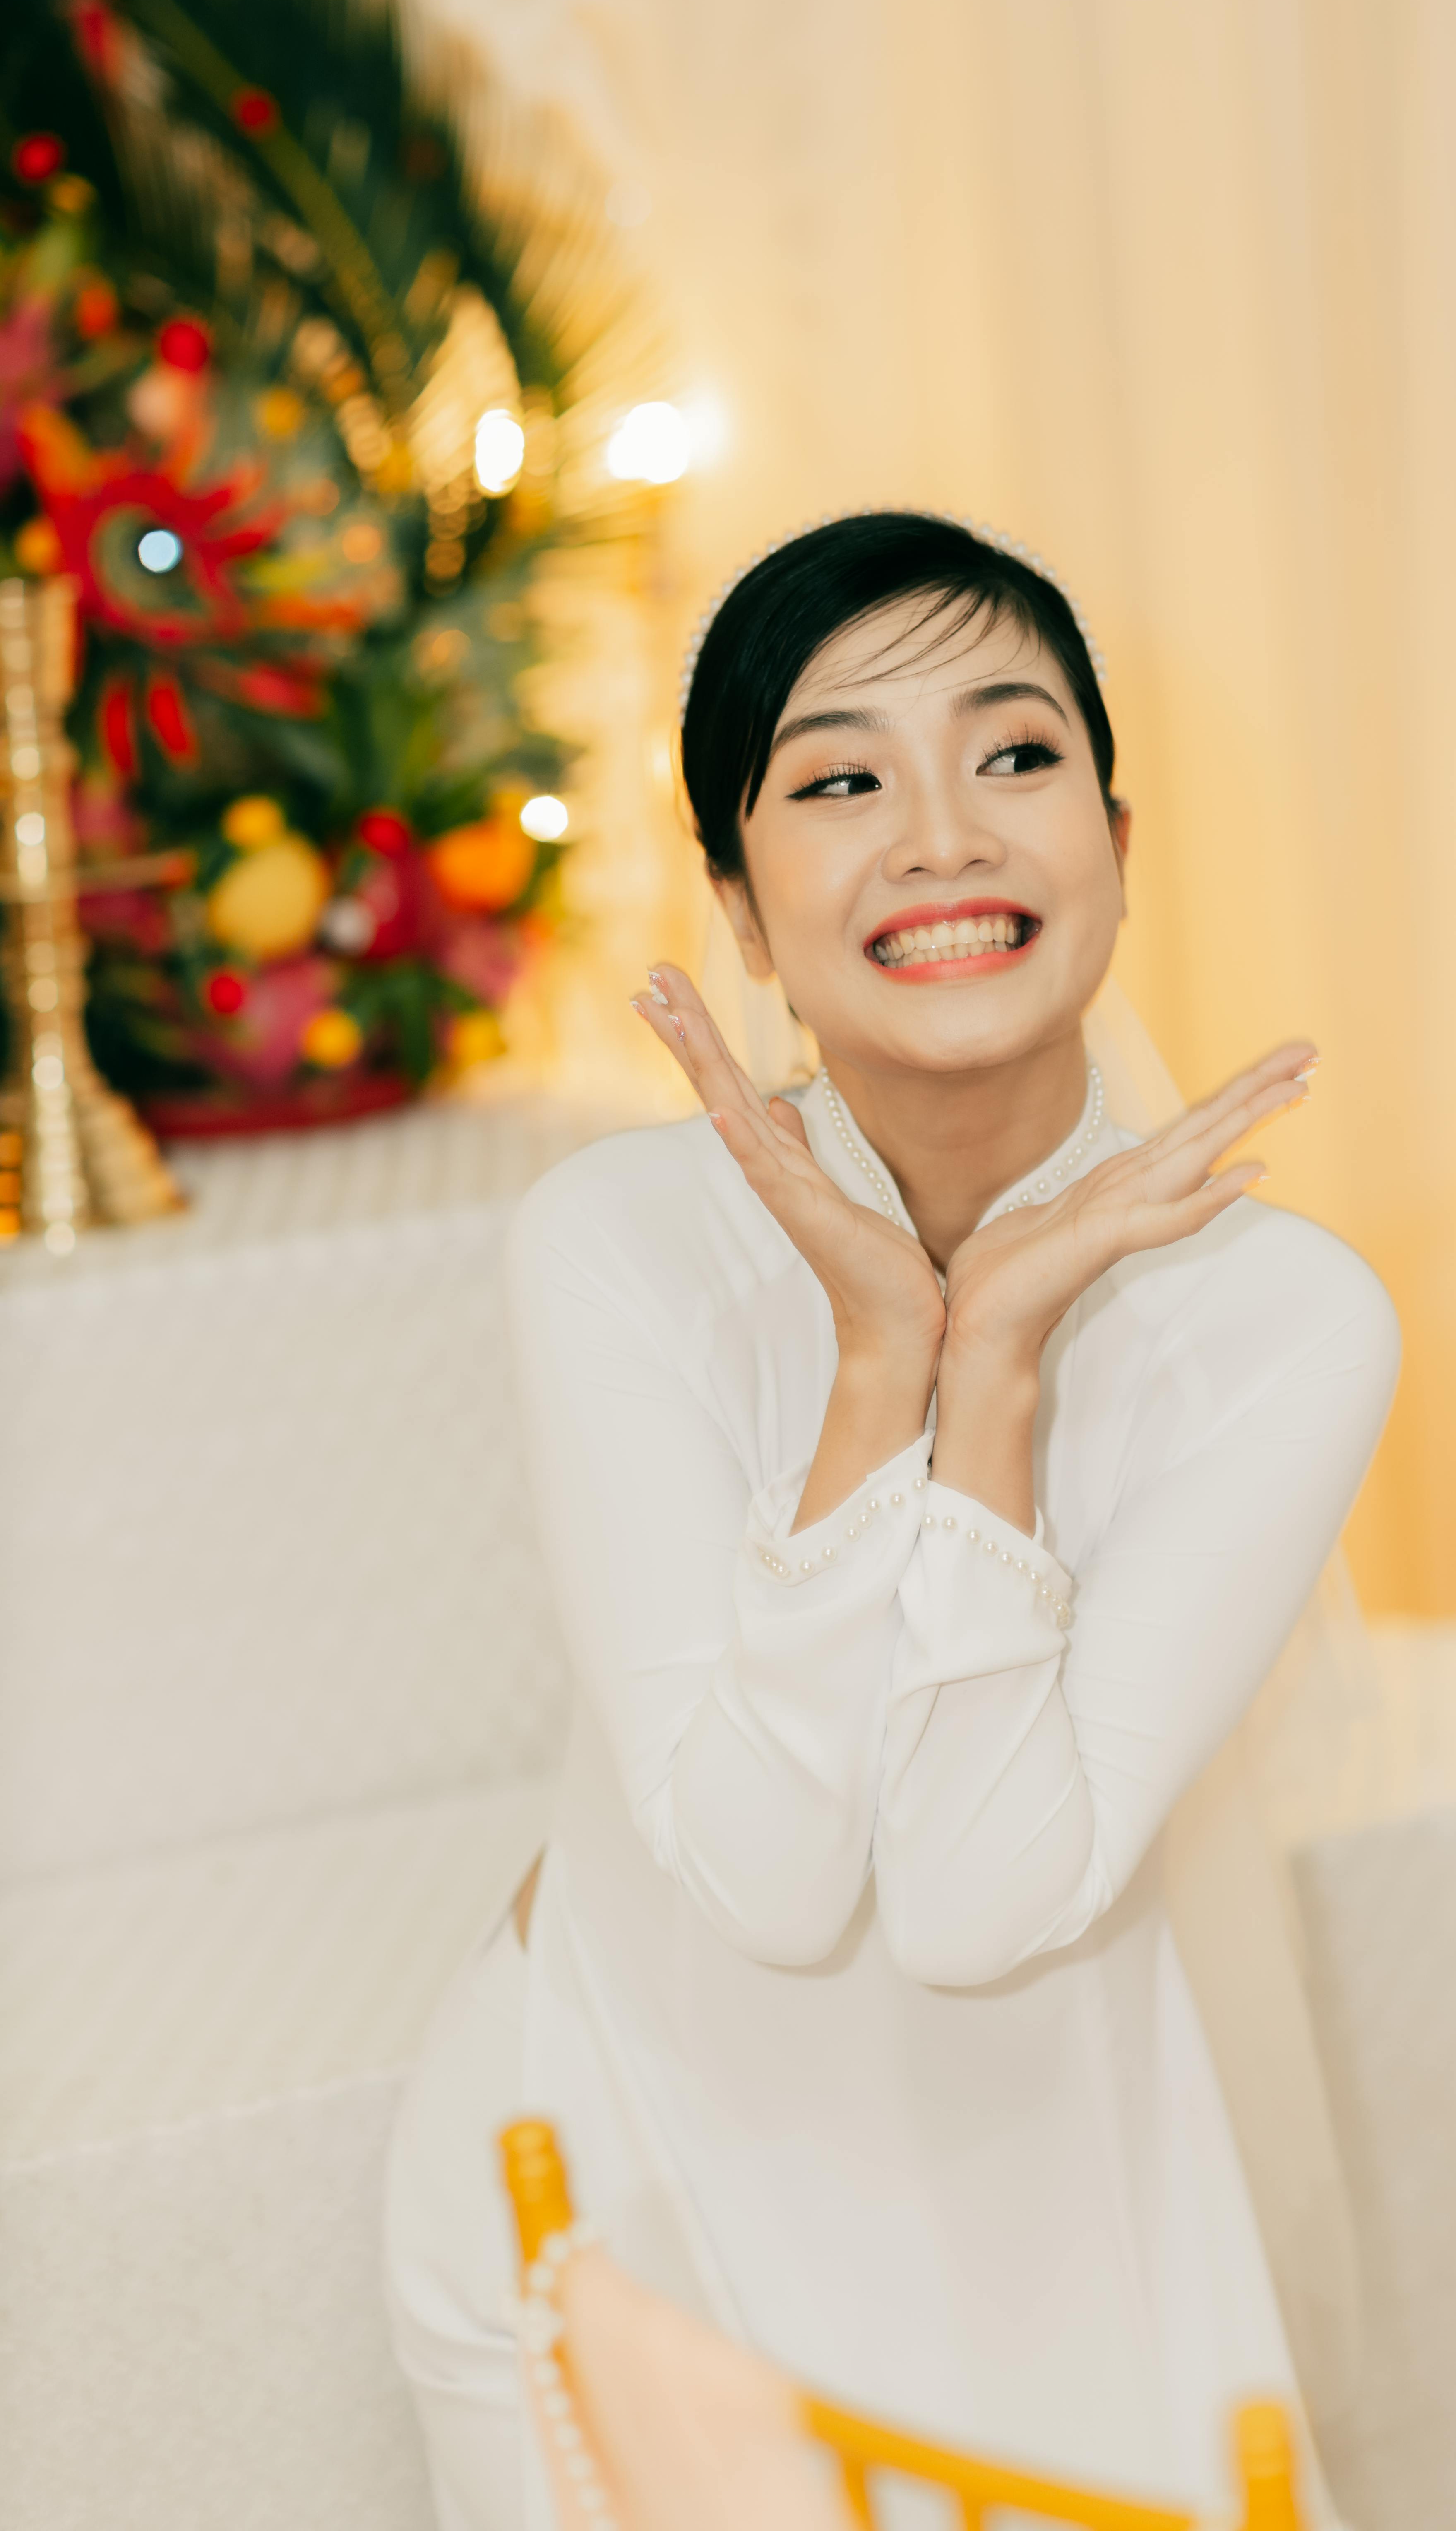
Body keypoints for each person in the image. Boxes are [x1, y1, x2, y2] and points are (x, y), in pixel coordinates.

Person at [384, 512, 1401, 2531]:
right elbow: (760, 1884)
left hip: (1034, 2195)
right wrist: (885, 1363)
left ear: (1117, 835)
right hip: (608, 2185)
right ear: (746, 916)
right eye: (840, 780)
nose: (940, 838)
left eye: (1011, 758)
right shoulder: (618, 1250)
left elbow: (960, 1908)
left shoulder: (1286, 1325)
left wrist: (997, 1369)